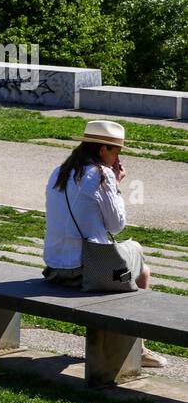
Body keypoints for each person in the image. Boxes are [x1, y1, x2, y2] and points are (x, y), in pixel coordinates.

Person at [42, 120, 165, 368]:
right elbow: (117, 225)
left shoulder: (59, 172)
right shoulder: (102, 175)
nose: (118, 158)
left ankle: (128, 345)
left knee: (131, 264)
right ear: (102, 150)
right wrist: (116, 184)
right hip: (86, 272)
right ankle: (135, 348)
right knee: (141, 267)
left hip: (54, 268)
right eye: (116, 151)